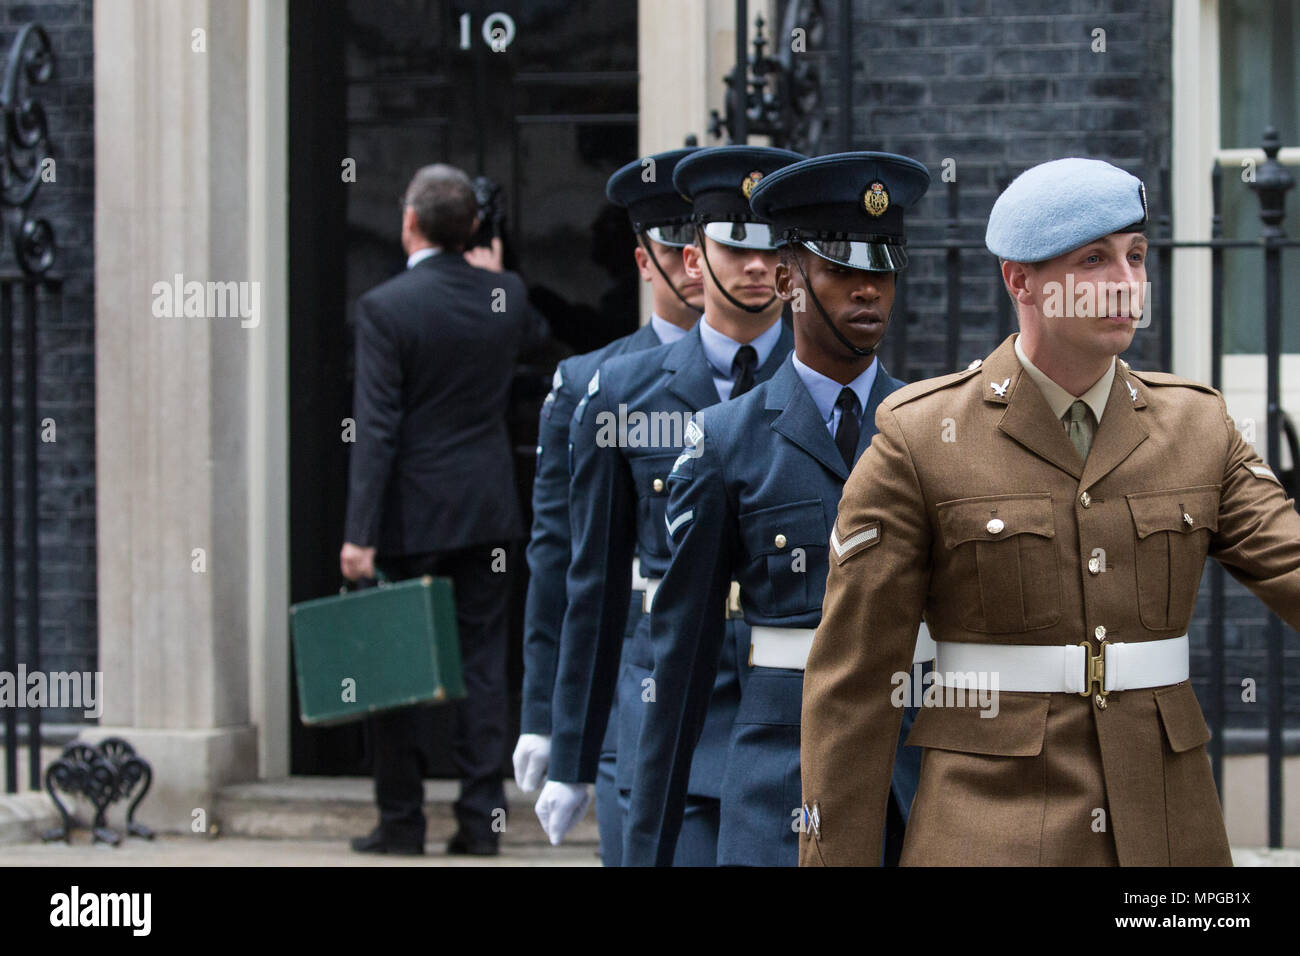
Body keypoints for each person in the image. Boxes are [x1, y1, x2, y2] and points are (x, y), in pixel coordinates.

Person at [799, 157, 1300, 866]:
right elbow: (853, 690)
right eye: (1094, 260)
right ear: (1020, 280)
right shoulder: (923, 439)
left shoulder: (1198, 427)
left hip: (1169, 834)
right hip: (989, 831)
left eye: (1136, 257)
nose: (1128, 283)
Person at [623, 152, 936, 867]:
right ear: (790, 279)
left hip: (913, 788)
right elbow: (681, 663)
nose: (868, 292)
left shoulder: (933, 429)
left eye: (882, 270)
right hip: (780, 791)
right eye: (843, 271)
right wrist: (647, 848)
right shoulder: (727, 442)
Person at [535, 146, 803, 864]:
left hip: (787, 712)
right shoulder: (622, 394)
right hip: (664, 709)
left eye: (774, 251)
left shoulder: (827, 392)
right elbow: (590, 584)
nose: (756, 268)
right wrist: (569, 750)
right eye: (735, 249)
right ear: (693, 263)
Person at [513, 148, 704, 866]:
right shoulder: (591, 384)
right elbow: (560, 558)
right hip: (636, 680)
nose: (694, 265)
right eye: (675, 248)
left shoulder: (781, 376)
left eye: (704, 247)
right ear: (644, 261)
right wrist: (547, 718)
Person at [340, 163, 537, 856]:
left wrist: (358, 534)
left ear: (409, 223)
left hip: (407, 519)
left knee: (395, 672)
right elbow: (528, 333)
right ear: (476, 230)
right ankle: (481, 823)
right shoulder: (507, 296)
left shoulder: (385, 308)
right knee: (485, 668)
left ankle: (401, 823)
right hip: (486, 511)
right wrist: (496, 273)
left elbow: (379, 428)